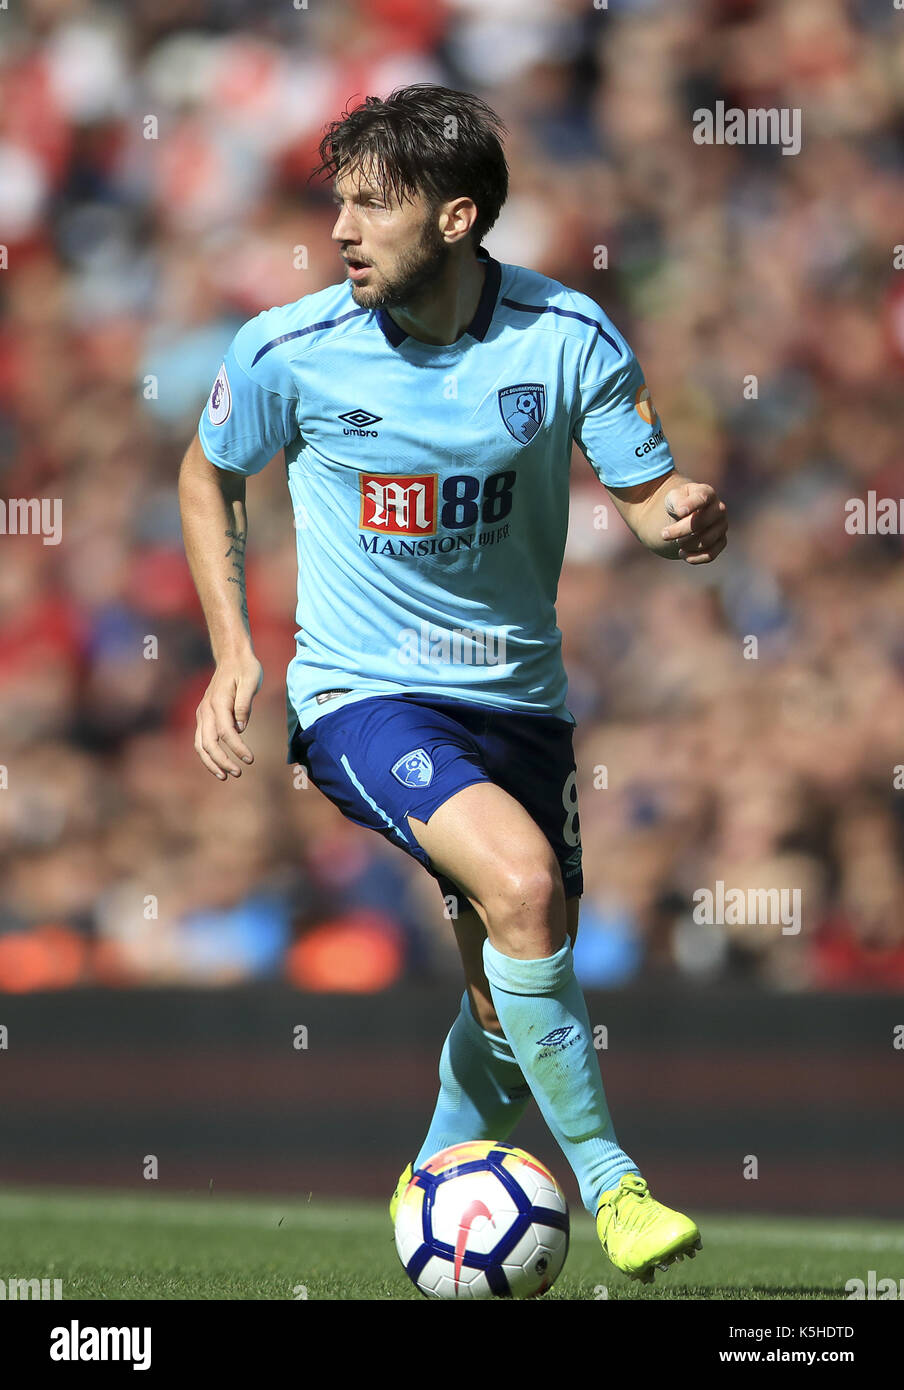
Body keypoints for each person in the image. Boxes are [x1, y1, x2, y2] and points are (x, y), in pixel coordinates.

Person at [178, 83, 727, 1285]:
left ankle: (434, 1170)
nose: (341, 229)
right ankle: (616, 1188)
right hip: (362, 695)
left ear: (458, 217)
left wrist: (677, 519)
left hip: (521, 701)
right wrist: (233, 647)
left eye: (374, 205)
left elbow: (646, 495)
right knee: (523, 886)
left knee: (507, 982)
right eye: (340, 202)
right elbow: (209, 470)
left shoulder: (566, 337)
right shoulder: (287, 349)